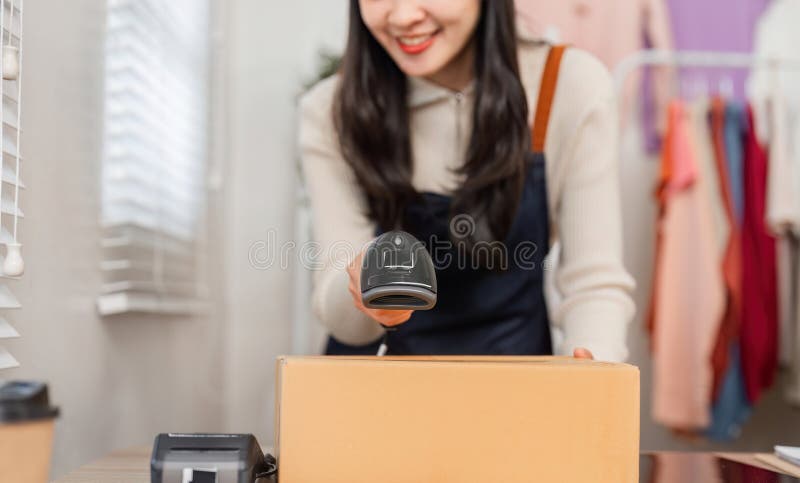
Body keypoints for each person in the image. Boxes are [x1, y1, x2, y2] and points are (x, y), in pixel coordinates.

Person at [299, 0, 635, 361]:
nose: (403, 16)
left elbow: (594, 285)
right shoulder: (331, 110)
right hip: (373, 394)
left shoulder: (567, 87)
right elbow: (343, 320)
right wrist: (364, 286)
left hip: (513, 391)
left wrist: (592, 377)